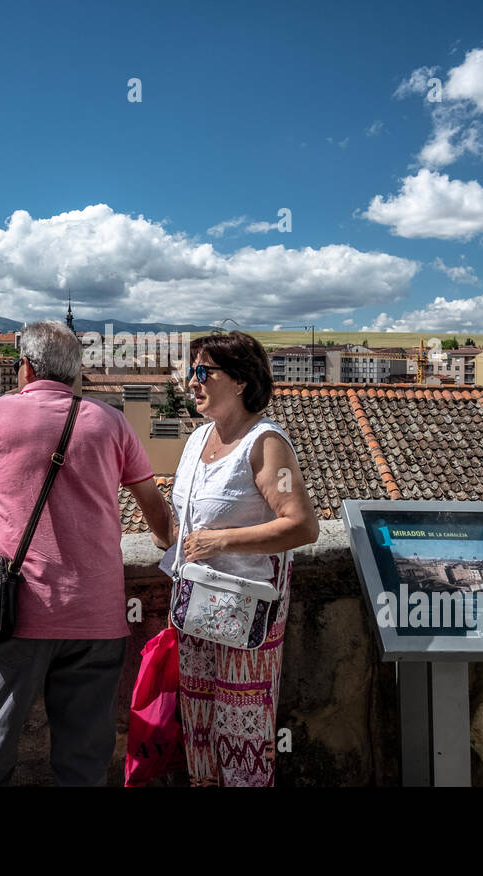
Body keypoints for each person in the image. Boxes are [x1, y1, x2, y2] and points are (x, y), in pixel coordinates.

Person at [0, 320, 174, 786]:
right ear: (75, 373)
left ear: (24, 366)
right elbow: (155, 509)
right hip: (98, 617)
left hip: (17, 615)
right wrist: (167, 545)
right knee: (84, 763)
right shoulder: (112, 422)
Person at [166, 331, 319, 786]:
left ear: (239, 382)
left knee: (242, 735)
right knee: (200, 730)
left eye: (202, 372)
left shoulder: (267, 445)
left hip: (246, 617)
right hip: (195, 610)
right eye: (190, 371)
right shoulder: (198, 439)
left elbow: (302, 525)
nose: (191, 381)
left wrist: (222, 541)